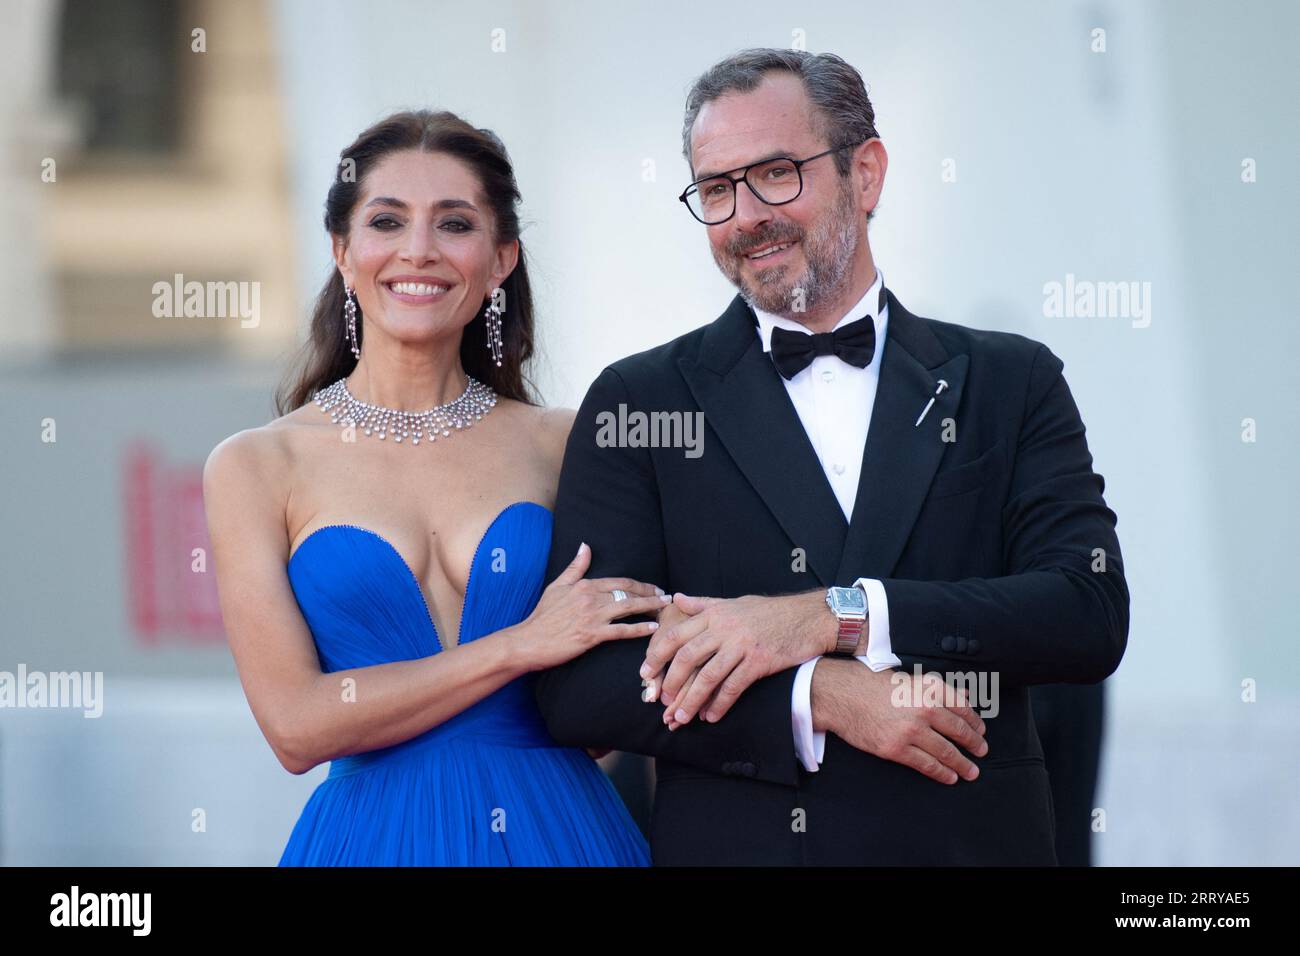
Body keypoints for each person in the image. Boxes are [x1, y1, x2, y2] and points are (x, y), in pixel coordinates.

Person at [535, 49, 1129, 865]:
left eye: (777, 173)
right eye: (716, 190)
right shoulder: (639, 400)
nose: (746, 215)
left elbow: (1086, 612)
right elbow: (584, 687)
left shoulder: (1010, 381)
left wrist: (836, 614)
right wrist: (819, 695)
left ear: (867, 173)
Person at [203, 109, 653, 865]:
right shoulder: (255, 465)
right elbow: (297, 728)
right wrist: (516, 648)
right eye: (387, 221)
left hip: (563, 832)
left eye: (454, 224)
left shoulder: (567, 441)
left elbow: (615, 691)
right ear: (343, 253)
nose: (418, 251)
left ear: (501, 257)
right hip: (370, 841)